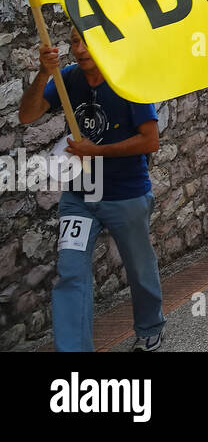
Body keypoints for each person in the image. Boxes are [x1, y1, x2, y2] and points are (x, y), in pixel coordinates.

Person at [17, 29, 165, 351]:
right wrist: (44, 73)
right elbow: (26, 114)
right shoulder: (68, 77)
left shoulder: (127, 78)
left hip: (126, 194)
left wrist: (96, 152)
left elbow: (150, 140)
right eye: (74, 41)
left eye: (87, 40)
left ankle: (151, 327)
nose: (80, 49)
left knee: (139, 268)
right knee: (70, 272)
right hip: (79, 196)